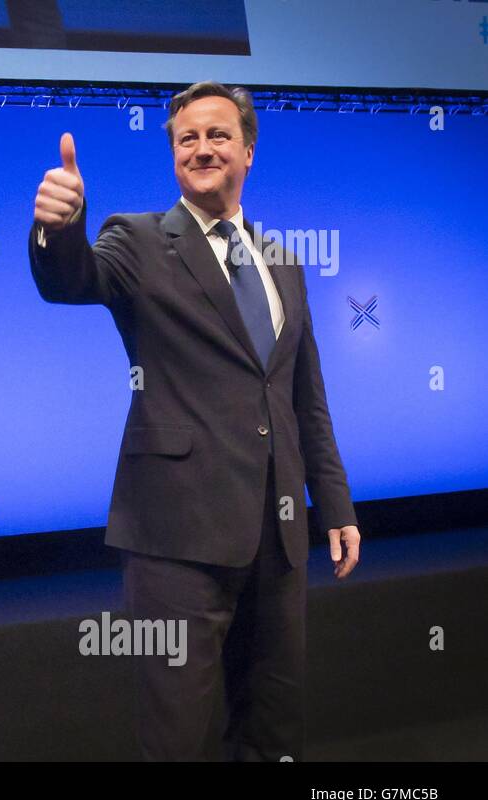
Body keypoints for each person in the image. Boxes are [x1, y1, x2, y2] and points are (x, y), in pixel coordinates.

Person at [28, 81, 361, 761]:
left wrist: (335, 505)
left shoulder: (284, 263)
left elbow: (305, 399)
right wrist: (56, 231)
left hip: (279, 539)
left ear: (248, 150)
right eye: (187, 138)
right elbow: (74, 279)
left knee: (273, 732)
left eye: (217, 135)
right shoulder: (140, 240)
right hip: (177, 542)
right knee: (179, 741)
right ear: (173, 153)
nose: (202, 148)